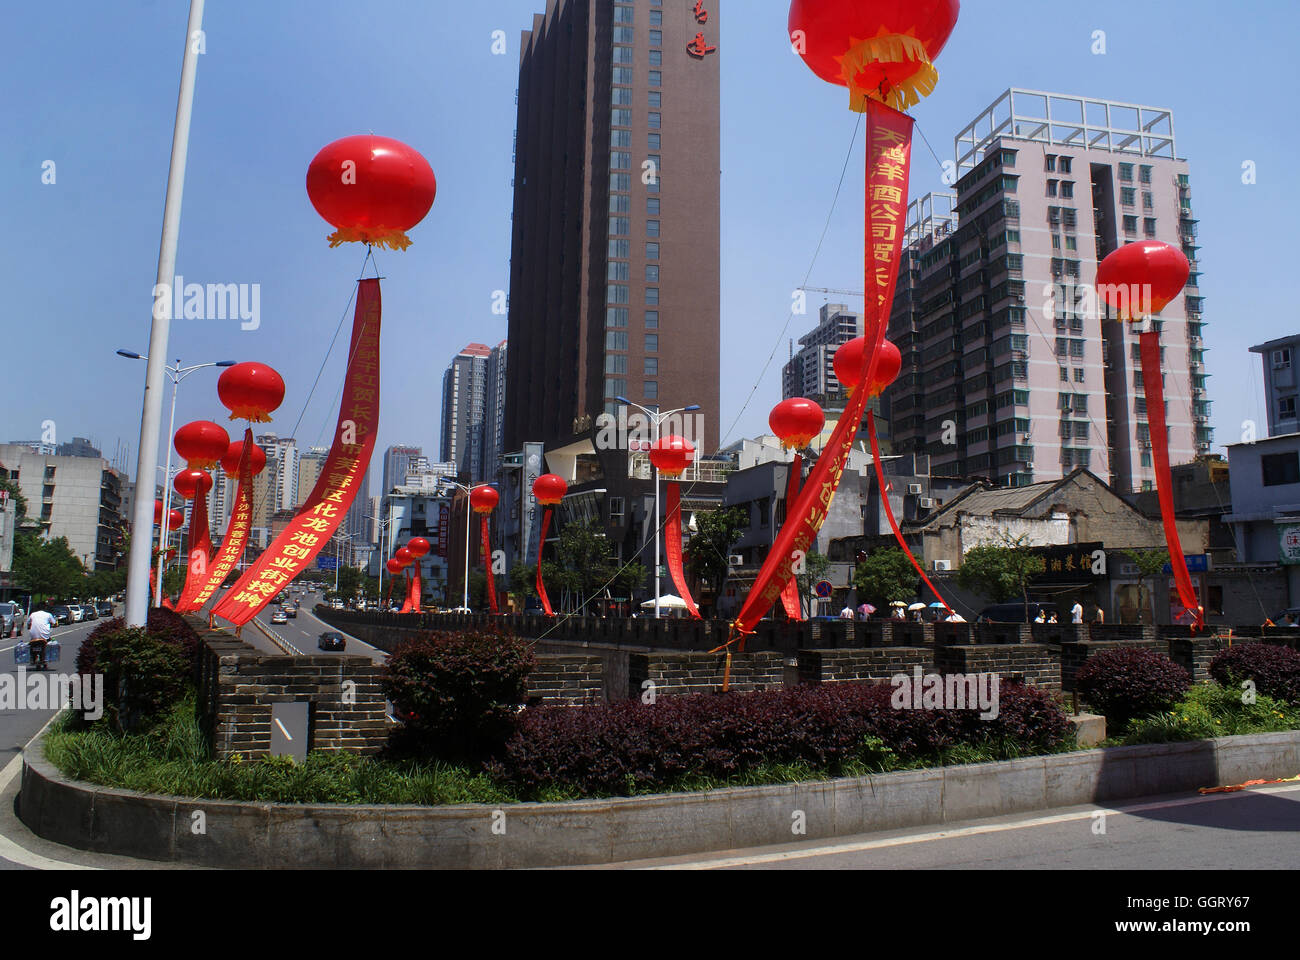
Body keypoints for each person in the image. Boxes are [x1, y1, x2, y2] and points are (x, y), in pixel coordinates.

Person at [25, 603, 56, 671]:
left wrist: (29, 626)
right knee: (49, 643)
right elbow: (54, 622)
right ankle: (44, 659)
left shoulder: (33, 614)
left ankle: (33, 658)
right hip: (44, 636)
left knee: (31, 643)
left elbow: (28, 623)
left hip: (33, 636)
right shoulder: (48, 614)